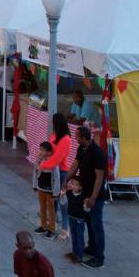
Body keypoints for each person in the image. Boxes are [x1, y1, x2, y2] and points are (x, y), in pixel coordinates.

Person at [65, 125, 106, 268]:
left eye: (77, 137)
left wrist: (93, 197)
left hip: (95, 196)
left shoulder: (97, 154)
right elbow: (75, 166)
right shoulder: (81, 149)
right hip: (84, 193)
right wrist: (66, 180)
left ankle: (99, 258)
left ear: (84, 138)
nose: (75, 139)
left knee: (96, 225)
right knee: (88, 222)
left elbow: (99, 178)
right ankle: (92, 247)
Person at [40, 113, 72, 240]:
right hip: (52, 171)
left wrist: (42, 165)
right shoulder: (55, 135)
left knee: (62, 202)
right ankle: (51, 225)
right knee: (52, 200)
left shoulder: (66, 139)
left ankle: (65, 228)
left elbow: (57, 158)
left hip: (62, 172)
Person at [33, 141, 56, 238]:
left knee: (51, 209)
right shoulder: (40, 160)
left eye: (43, 150)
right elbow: (35, 172)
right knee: (42, 207)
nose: (40, 152)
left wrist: (56, 191)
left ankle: (52, 229)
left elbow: (56, 178)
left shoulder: (53, 162)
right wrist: (34, 185)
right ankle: (43, 226)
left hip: (50, 190)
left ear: (49, 152)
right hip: (41, 187)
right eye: (40, 149)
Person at [64, 178, 88, 264]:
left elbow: (87, 209)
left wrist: (86, 204)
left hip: (79, 219)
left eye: (75, 185)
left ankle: (80, 256)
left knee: (79, 236)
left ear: (80, 187)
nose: (73, 186)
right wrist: (62, 195)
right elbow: (63, 203)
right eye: (72, 183)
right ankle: (74, 253)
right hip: (71, 217)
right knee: (73, 235)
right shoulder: (68, 193)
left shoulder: (84, 196)